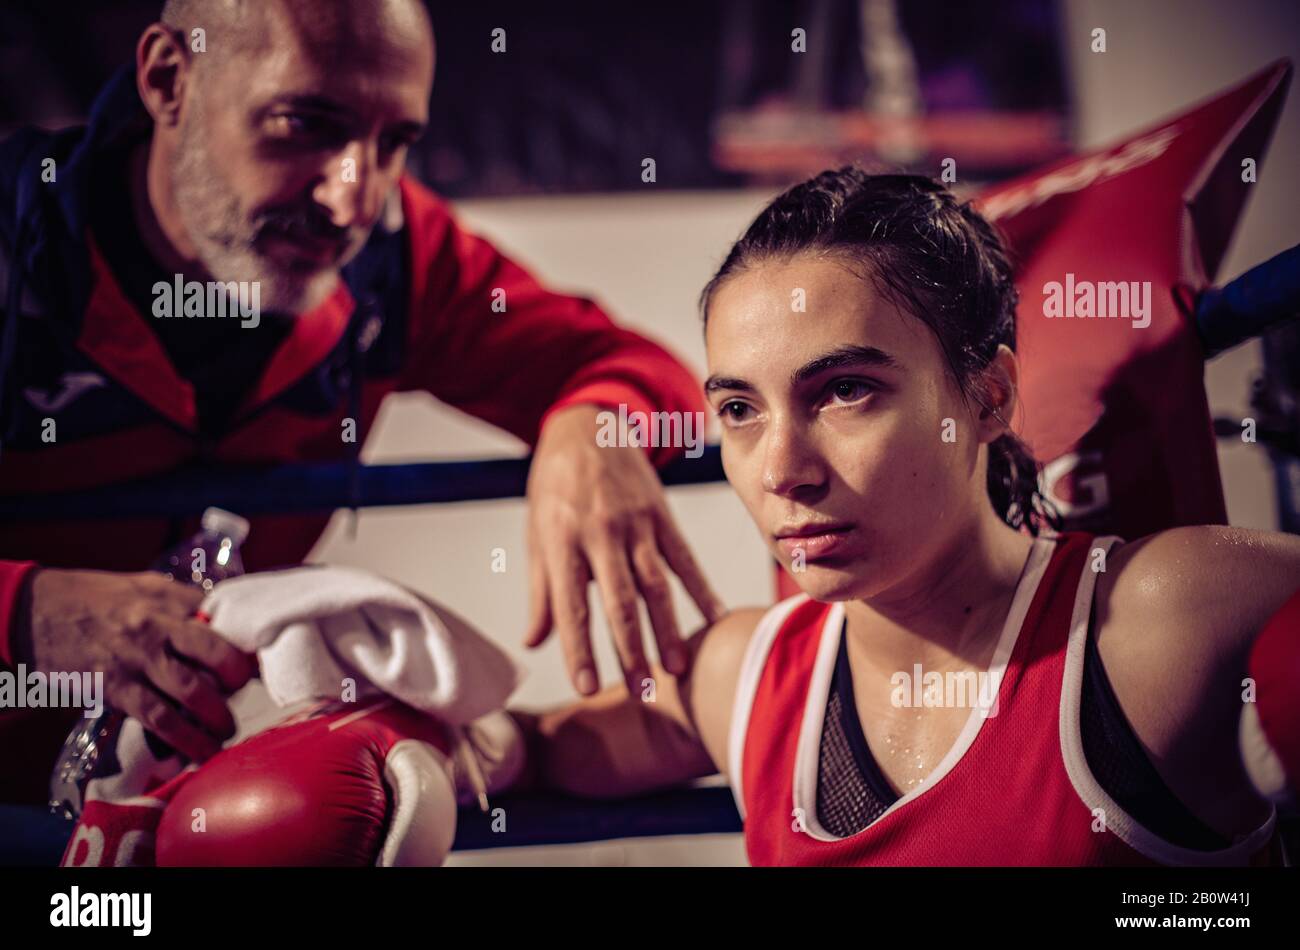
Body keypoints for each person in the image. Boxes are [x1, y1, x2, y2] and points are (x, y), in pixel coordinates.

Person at [0, 0, 723, 806]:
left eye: (394, 143)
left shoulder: (393, 254)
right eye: (304, 124)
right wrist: (28, 610)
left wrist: (596, 425)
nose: (353, 199)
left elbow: (640, 371)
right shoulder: (15, 249)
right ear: (171, 79)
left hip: (178, 812)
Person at [514, 170, 1300, 865]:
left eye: (846, 390)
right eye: (740, 409)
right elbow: (530, 750)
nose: (783, 471)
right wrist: (413, 743)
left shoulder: (1158, 621)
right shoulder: (744, 678)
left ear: (989, 396)